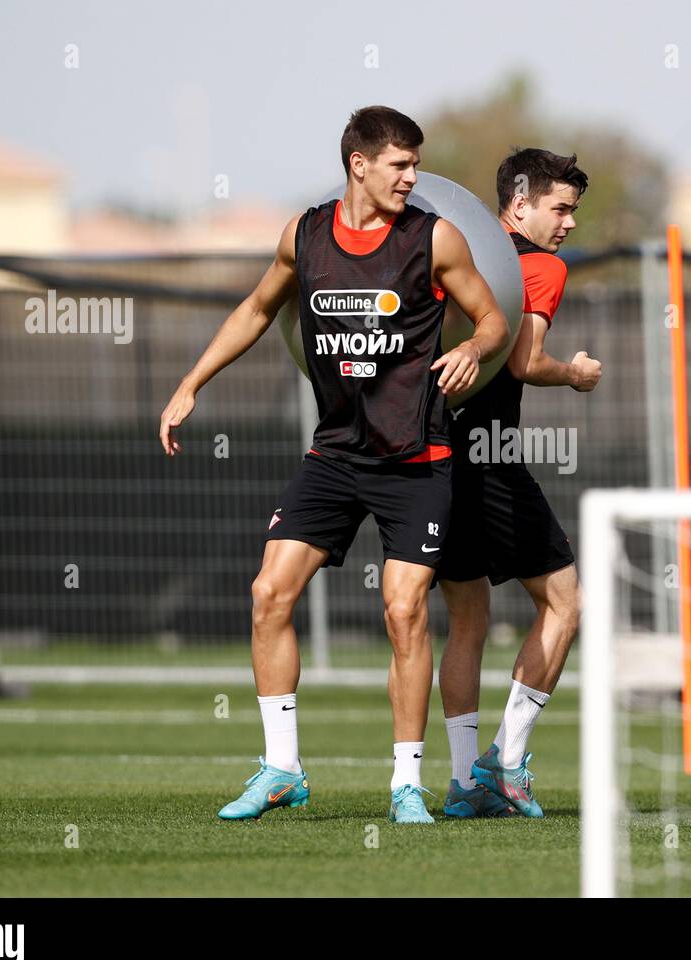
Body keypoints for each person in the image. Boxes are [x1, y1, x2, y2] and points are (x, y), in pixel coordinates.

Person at [158, 106, 509, 824]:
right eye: (400, 166)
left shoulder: (433, 239)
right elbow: (256, 310)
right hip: (336, 453)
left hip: (419, 458)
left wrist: (474, 347)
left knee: (404, 608)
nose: (413, 177)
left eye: (416, 164)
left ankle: (406, 783)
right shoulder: (304, 234)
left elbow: (496, 316)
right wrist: (192, 383)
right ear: (359, 165)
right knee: (268, 593)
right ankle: (282, 768)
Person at [436, 149, 600, 818]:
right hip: (492, 456)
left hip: (436, 456)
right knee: (567, 603)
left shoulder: (456, 252)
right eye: (559, 209)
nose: (567, 225)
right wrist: (578, 373)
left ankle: (460, 779)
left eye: (573, 212)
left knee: (467, 619)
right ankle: (507, 761)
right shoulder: (540, 266)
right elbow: (527, 362)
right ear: (520, 202)